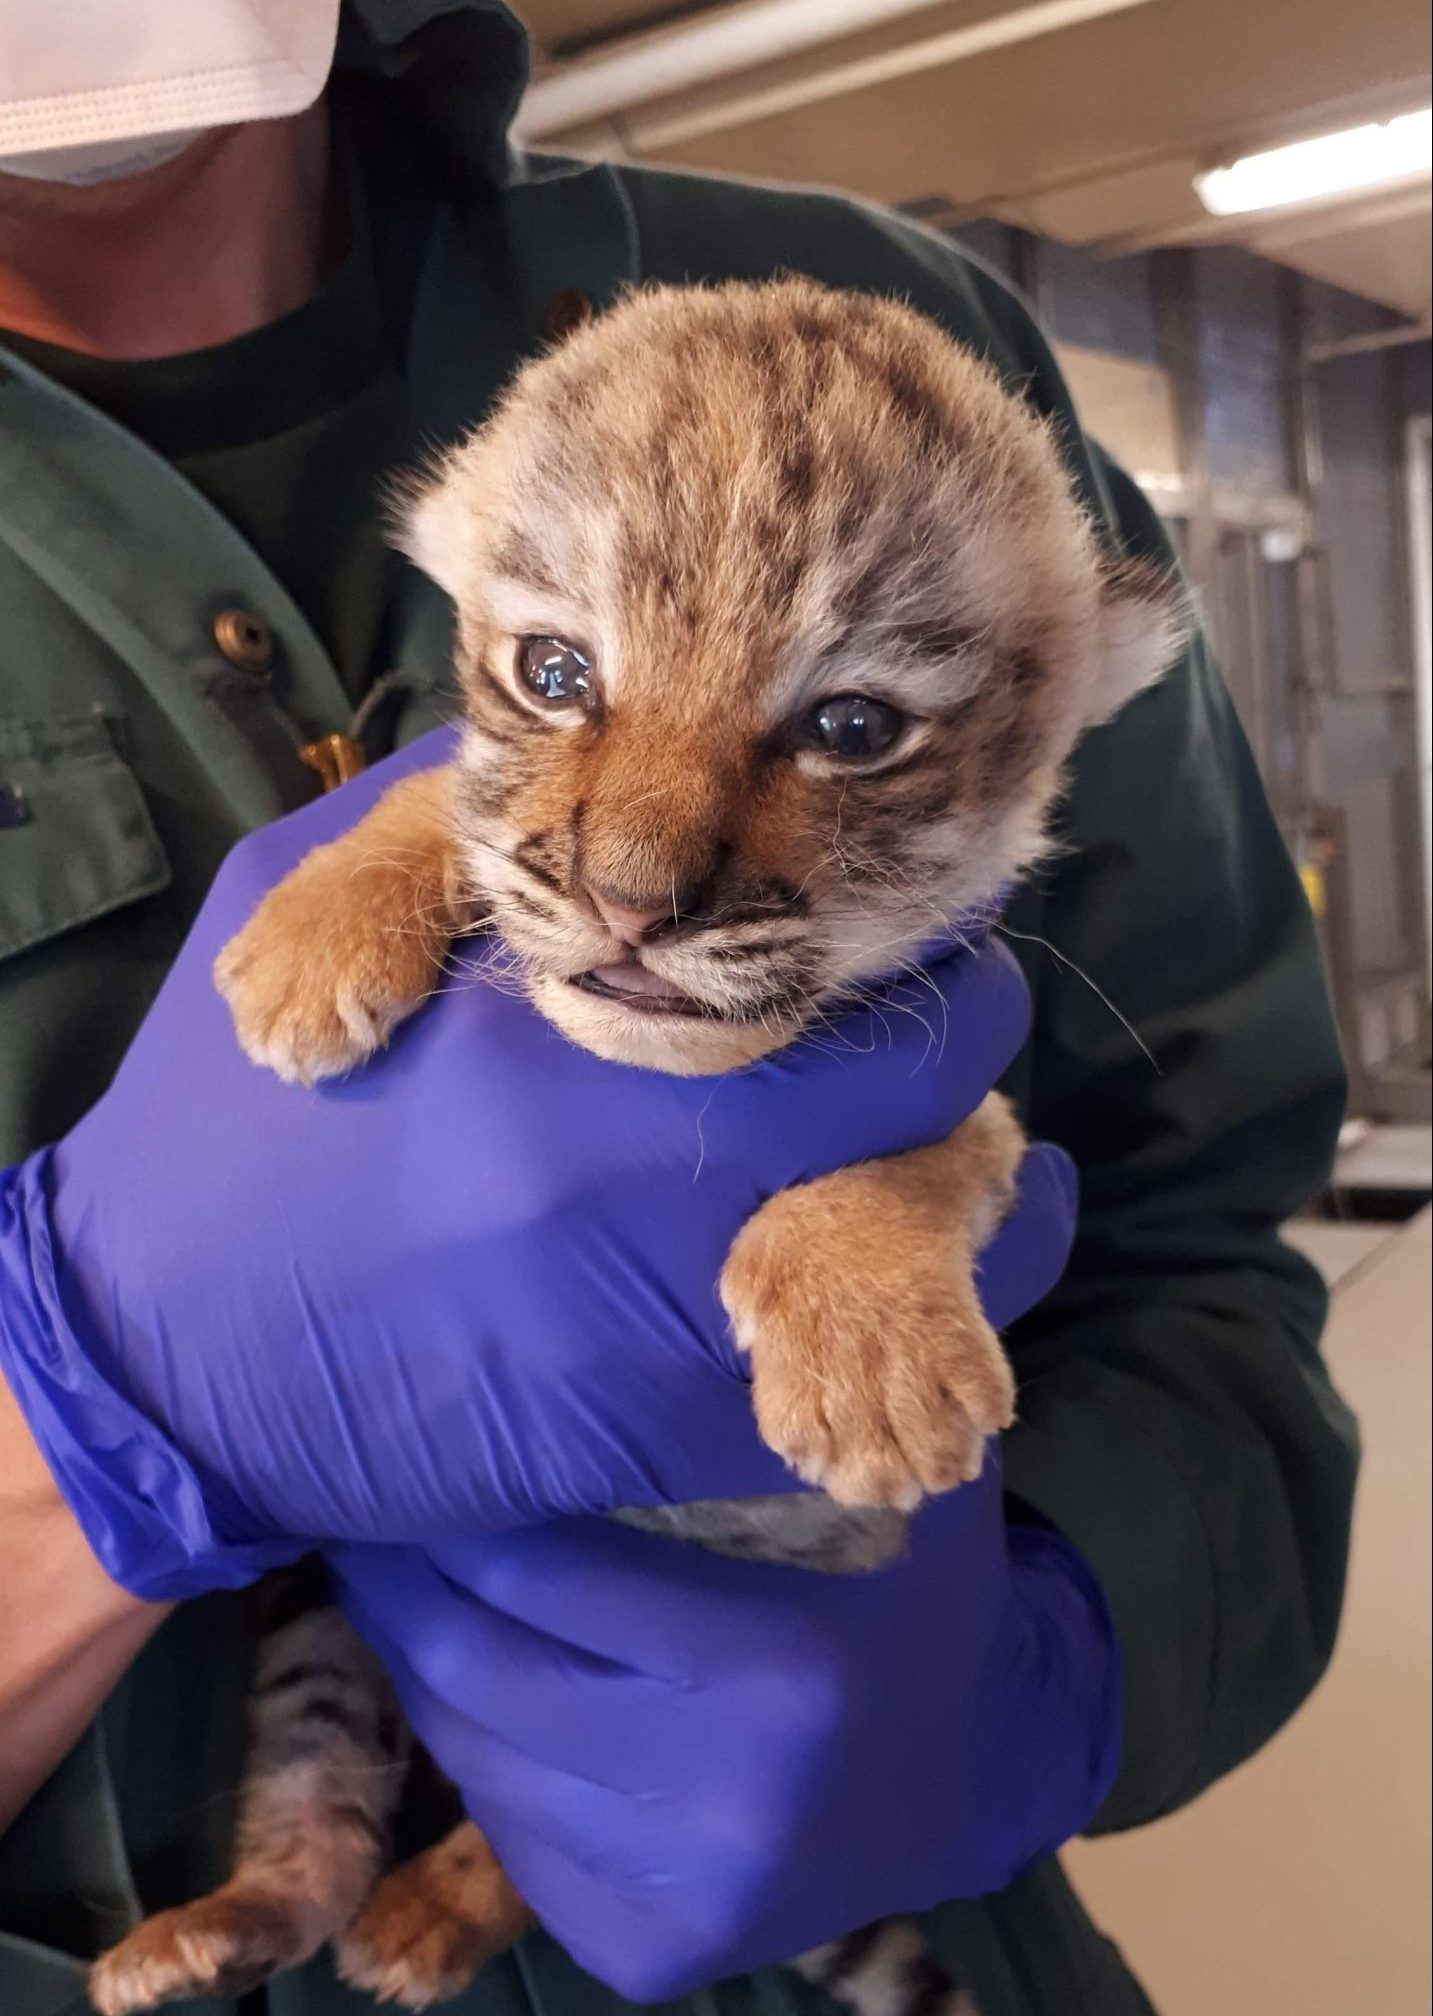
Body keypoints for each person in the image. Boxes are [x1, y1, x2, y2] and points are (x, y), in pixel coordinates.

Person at [0, 4, 1357, 2013]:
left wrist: (1077, 1648)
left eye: (841, 723)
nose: (640, 874)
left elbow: (1206, 1233)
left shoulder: (923, 376)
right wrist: (70, 1436)